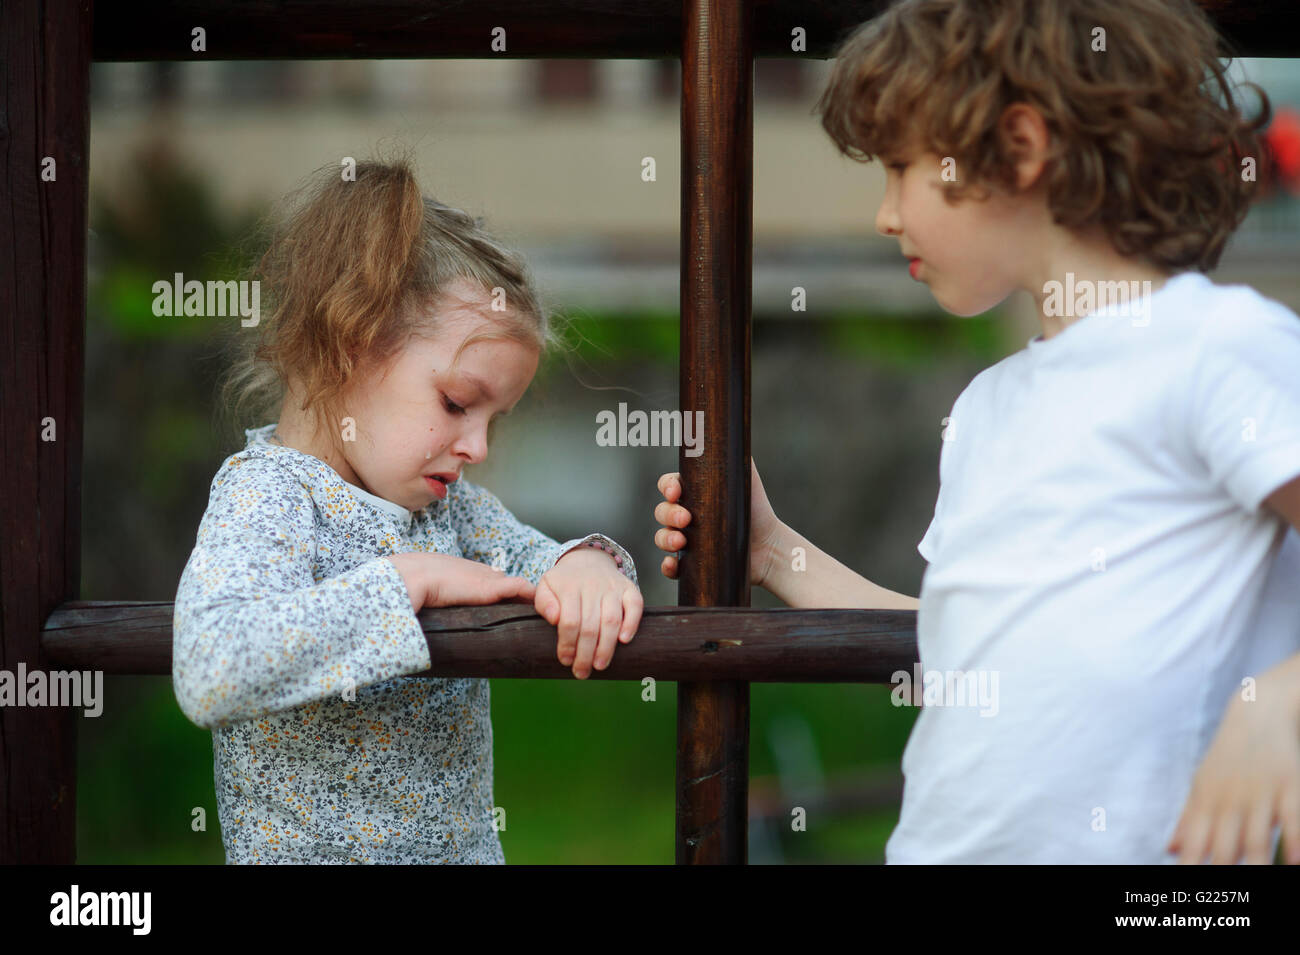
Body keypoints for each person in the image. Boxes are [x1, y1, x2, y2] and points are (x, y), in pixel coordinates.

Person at [654, 0, 1300, 864]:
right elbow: (962, 659)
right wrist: (773, 553)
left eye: (901, 169)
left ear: (1022, 148)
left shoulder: (1217, 347)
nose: (884, 215)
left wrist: (1279, 702)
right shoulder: (987, 408)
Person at [173, 156, 642, 863]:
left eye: (496, 419)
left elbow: (541, 564)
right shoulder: (270, 496)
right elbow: (211, 666)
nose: (479, 445)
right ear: (349, 343)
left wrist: (591, 567)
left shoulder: (455, 514)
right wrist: (405, 584)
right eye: (457, 403)